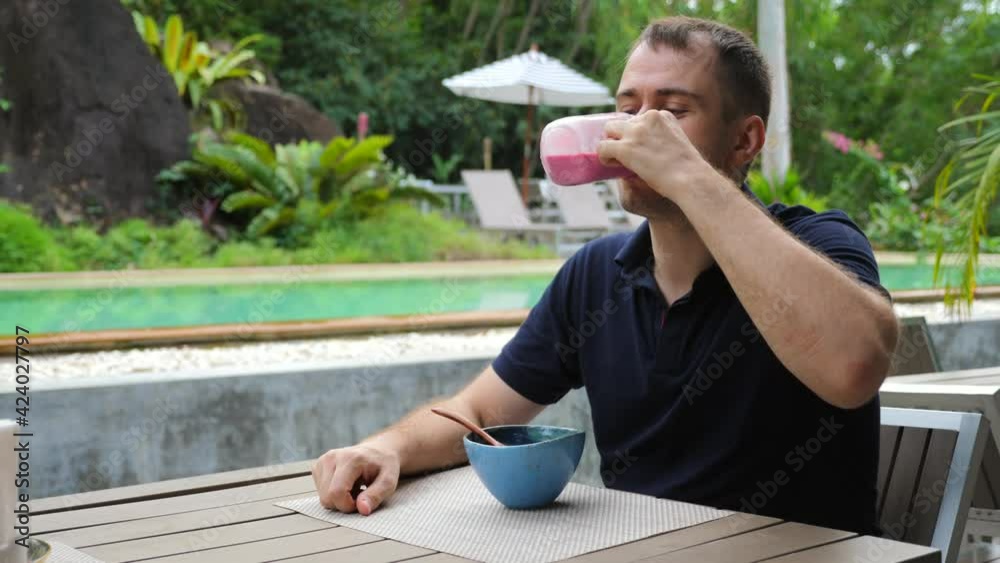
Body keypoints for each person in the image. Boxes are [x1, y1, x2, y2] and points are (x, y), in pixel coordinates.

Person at [312, 16, 898, 536]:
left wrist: (688, 178)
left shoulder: (819, 243)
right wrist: (387, 447)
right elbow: (484, 414)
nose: (636, 132)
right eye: (625, 109)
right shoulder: (595, 276)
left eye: (670, 113)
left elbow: (853, 368)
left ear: (745, 140)